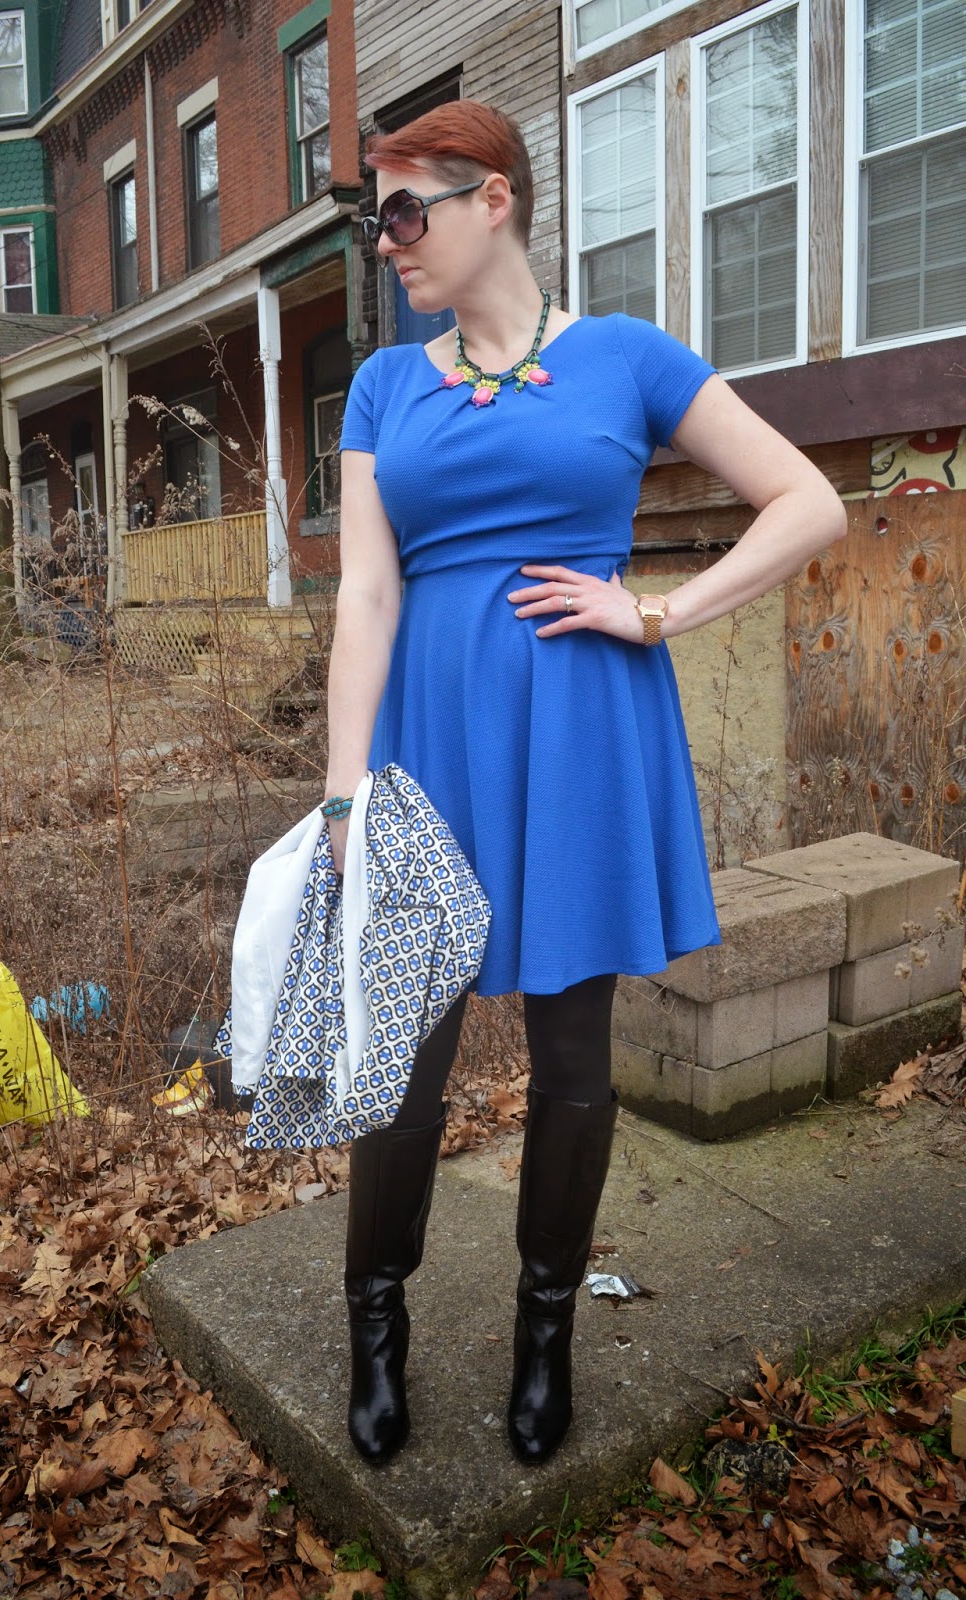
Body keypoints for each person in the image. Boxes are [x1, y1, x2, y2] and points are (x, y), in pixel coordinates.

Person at [324, 101, 846, 1469]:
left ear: (493, 199)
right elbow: (368, 595)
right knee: (401, 1060)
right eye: (371, 218)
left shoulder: (627, 359)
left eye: (403, 211)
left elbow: (809, 502)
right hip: (428, 738)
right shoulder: (386, 386)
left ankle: (542, 1331)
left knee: (572, 1059)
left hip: (583, 733)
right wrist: (340, 793)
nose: (385, 243)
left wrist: (661, 611)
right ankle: (375, 1322)